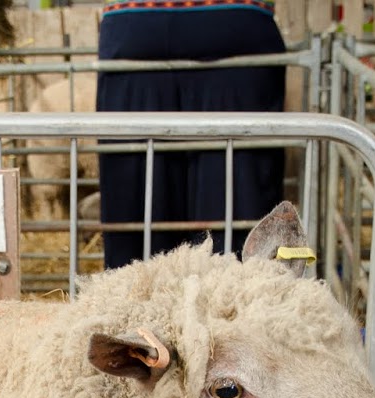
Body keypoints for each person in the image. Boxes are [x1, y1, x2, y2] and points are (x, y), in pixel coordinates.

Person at [94, 0, 287, 271]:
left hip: (135, 22)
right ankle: (235, 305)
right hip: (236, 22)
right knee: (236, 203)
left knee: (139, 206)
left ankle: (138, 304)